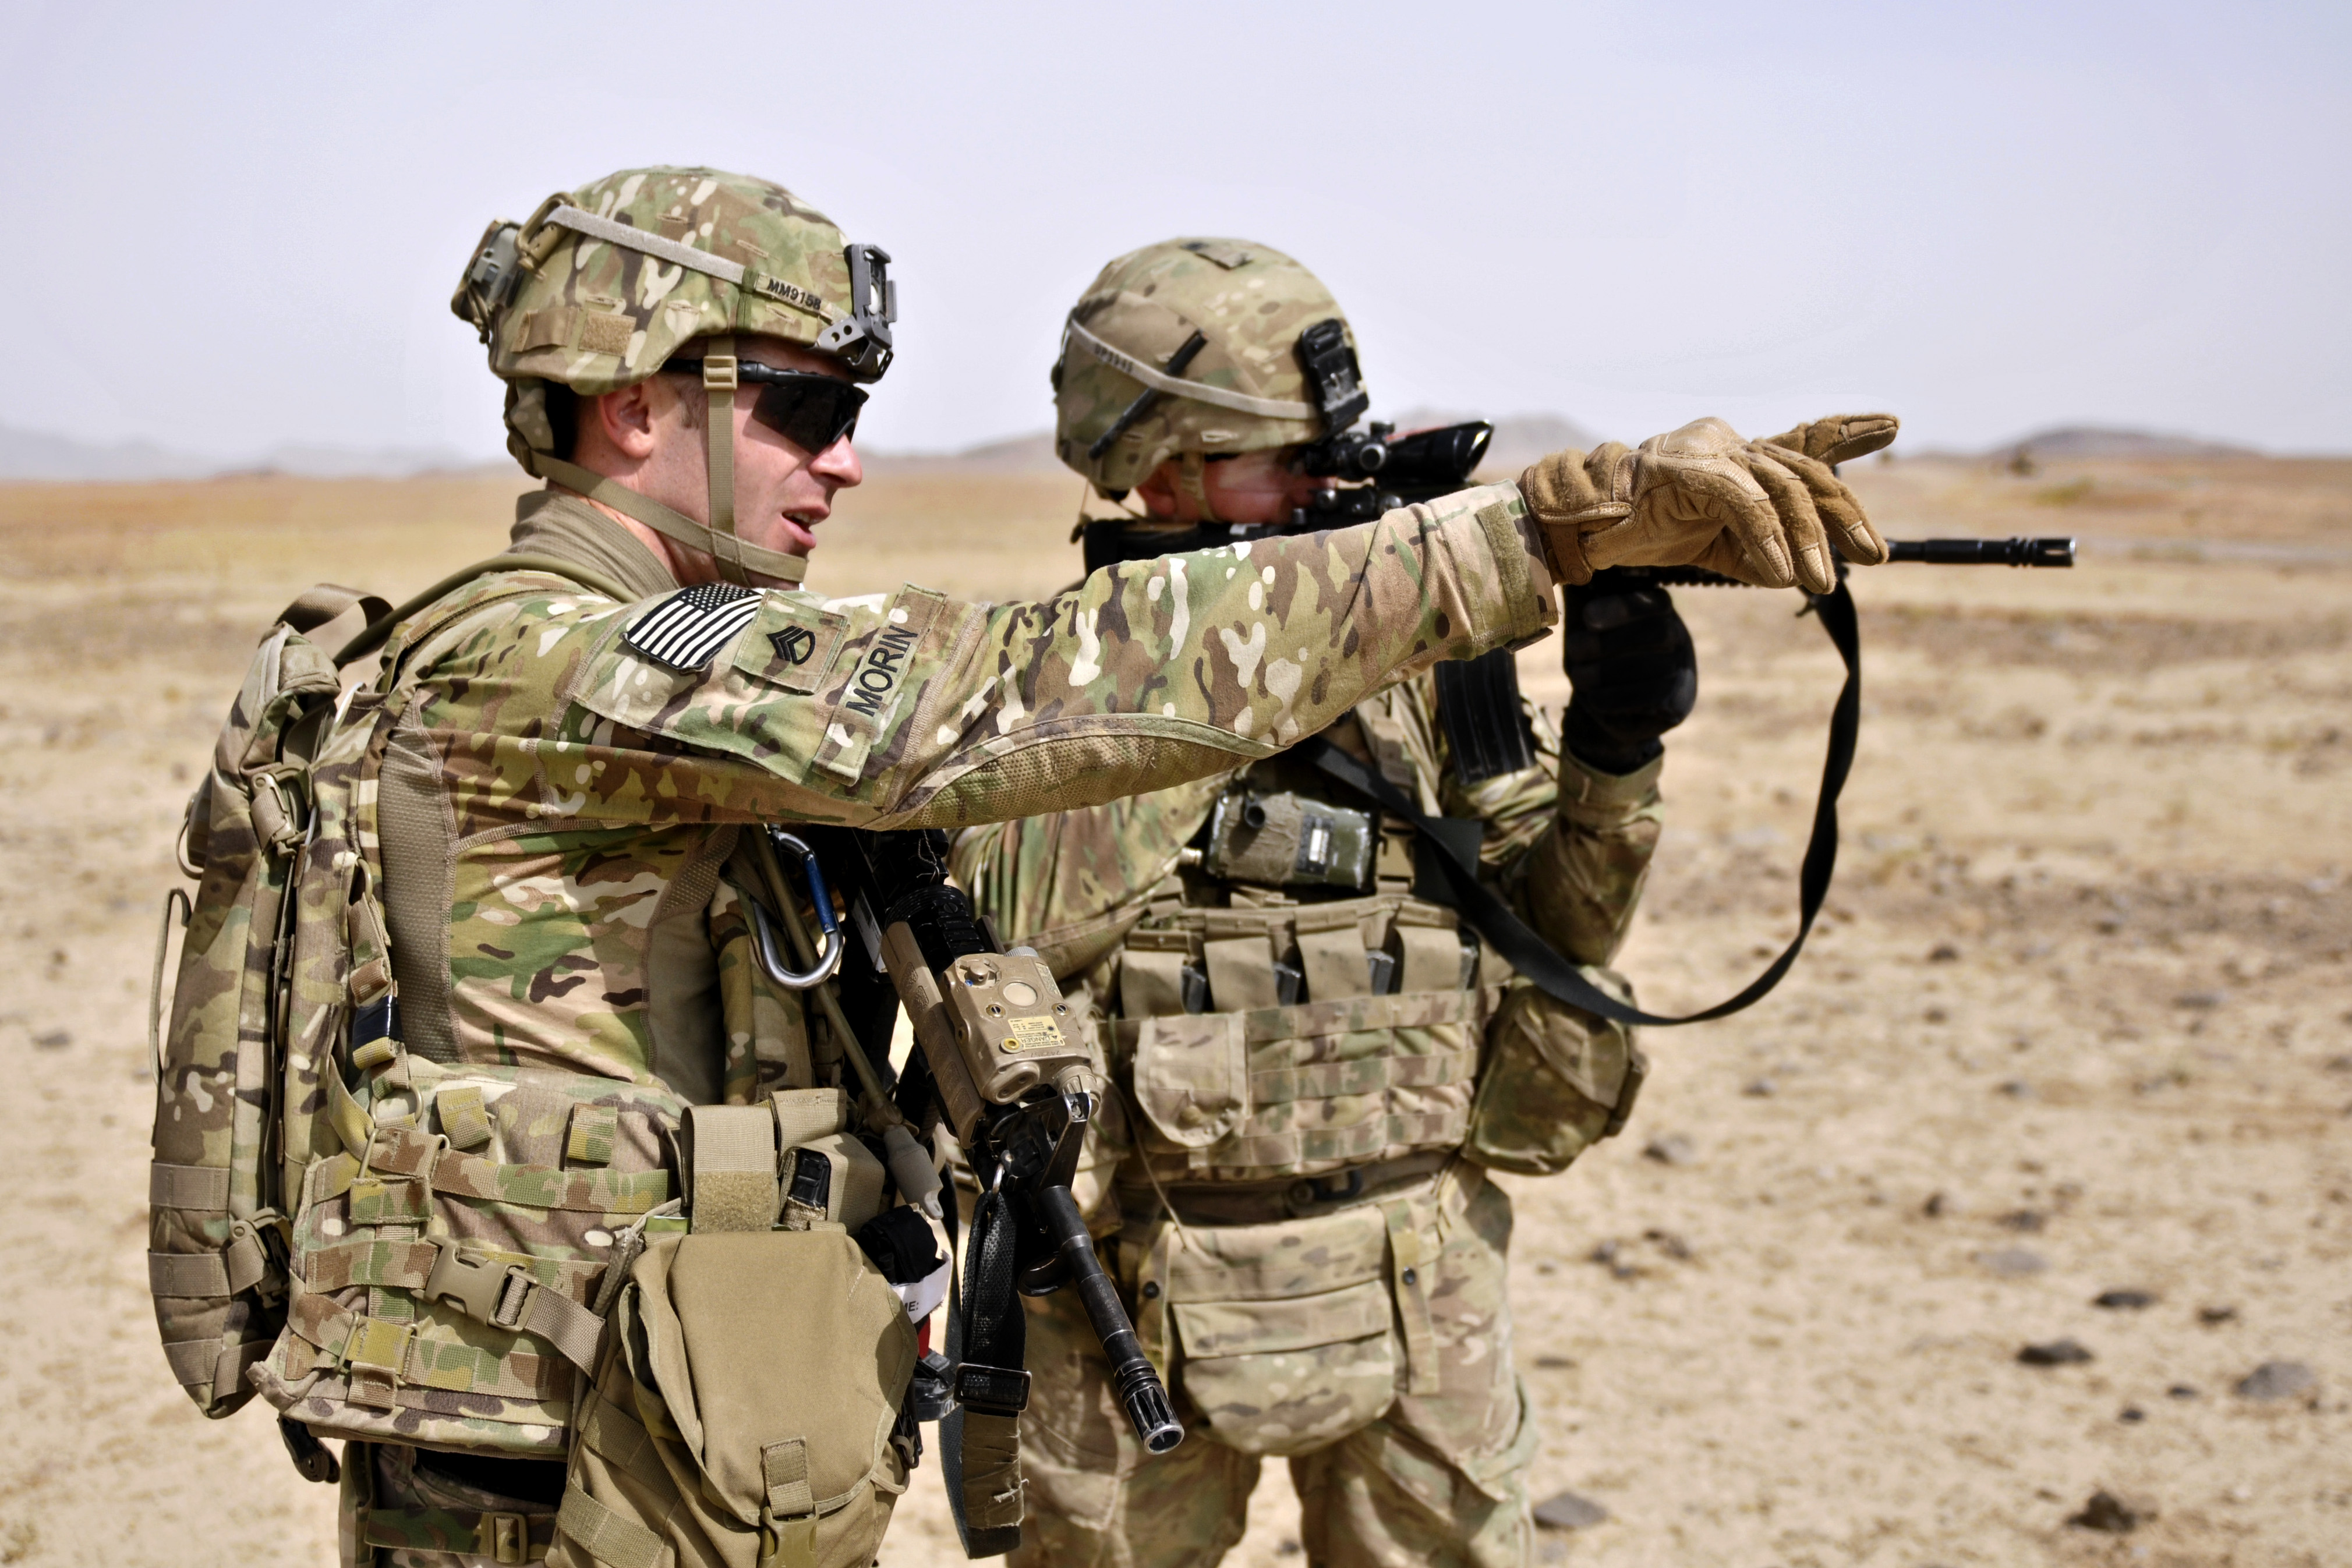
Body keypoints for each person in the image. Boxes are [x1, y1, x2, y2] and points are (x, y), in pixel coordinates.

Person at [221, 165, 1881, 1568]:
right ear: (642, 397)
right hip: (552, 1433)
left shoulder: (667, 651)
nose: (851, 459)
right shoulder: (557, 659)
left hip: (667, 1407)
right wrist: (1534, 538)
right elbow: (1012, 694)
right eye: (807, 406)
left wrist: (1600, 735)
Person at [950, 238, 1893, 1568]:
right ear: (1158, 468)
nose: (1337, 489)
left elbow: (1558, 941)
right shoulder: (1056, 689)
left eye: (1345, 458)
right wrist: (1238, 669)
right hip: (1126, 1278)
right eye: (1297, 463)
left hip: (1417, 1267)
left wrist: (1615, 757)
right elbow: (1023, 932)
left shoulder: (1428, 672)